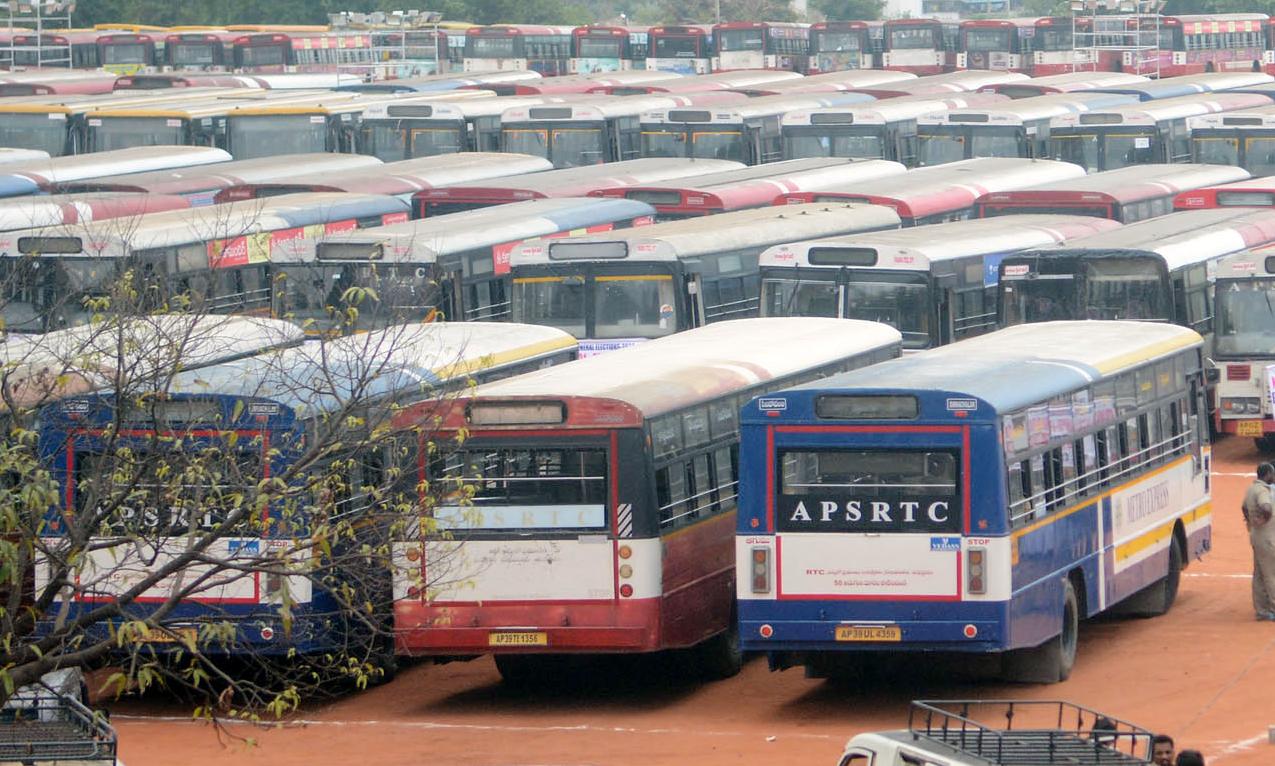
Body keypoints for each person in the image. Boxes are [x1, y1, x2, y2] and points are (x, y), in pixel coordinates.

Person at [1244, 463, 1275, 620]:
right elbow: (1266, 507)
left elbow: (1244, 507)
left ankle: (1261, 609)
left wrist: (1251, 520)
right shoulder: (1263, 491)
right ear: (1268, 474)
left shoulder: (1251, 489)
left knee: (1259, 574)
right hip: (1266, 537)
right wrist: (1264, 519)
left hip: (1256, 536)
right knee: (1270, 574)